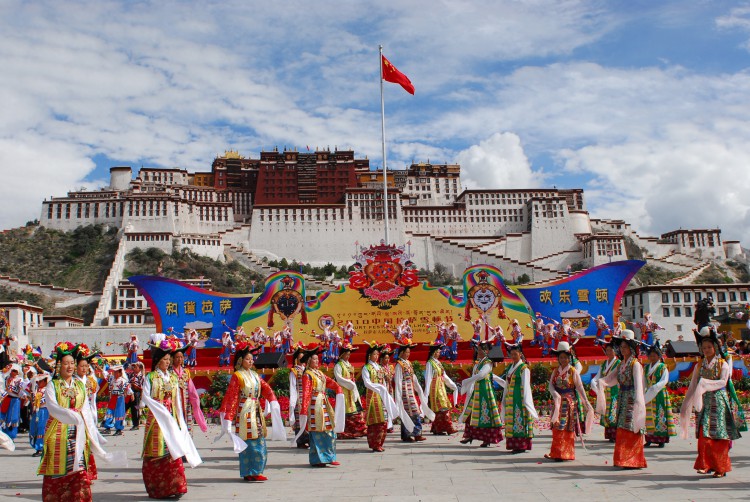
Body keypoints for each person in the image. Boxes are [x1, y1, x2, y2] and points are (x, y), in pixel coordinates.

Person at [38, 341, 117, 502]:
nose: (70, 367)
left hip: (78, 433)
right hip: (58, 432)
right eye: (66, 363)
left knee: (79, 468)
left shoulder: (80, 386)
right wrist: (74, 415)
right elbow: (53, 408)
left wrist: (92, 433)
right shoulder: (53, 385)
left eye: (72, 363)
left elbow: (86, 410)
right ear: (59, 365)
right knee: (59, 468)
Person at [140, 334, 202, 499]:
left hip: (172, 417)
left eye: (169, 359)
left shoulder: (173, 377)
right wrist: (161, 411)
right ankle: (158, 488)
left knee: (173, 451)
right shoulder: (151, 377)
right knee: (157, 451)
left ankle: (176, 486)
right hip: (157, 419)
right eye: (165, 359)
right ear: (158, 360)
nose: (168, 362)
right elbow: (146, 397)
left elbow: (177, 400)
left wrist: (179, 418)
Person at [216, 341, 285, 482]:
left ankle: (256, 470)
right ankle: (249, 471)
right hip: (244, 411)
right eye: (247, 359)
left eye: (251, 359)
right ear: (241, 361)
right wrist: (228, 418)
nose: (250, 361)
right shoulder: (238, 376)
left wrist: (273, 400)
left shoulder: (254, 374)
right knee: (247, 441)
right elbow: (232, 397)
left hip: (255, 410)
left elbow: (265, 387)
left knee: (259, 440)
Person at [679, 327, 741, 478]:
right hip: (703, 402)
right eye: (703, 347)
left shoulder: (722, 364)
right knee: (703, 435)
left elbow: (723, 382)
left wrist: (705, 384)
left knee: (718, 436)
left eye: (709, 347)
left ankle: (721, 467)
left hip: (718, 402)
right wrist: (686, 403)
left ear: (715, 348)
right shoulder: (699, 365)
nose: (706, 350)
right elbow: (693, 385)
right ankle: (705, 465)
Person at [595, 330, 647, 469]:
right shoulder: (621, 364)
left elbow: (638, 385)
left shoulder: (635, 364)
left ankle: (633, 460)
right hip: (622, 397)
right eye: (621, 347)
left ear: (631, 348)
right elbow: (610, 379)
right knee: (622, 428)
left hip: (632, 398)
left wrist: (638, 403)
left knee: (631, 427)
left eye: (625, 347)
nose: (623, 350)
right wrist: (600, 382)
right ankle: (623, 459)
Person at [295, 346, 345, 467]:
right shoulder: (307, 375)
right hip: (314, 405)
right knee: (317, 431)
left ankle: (329, 456)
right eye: (314, 359)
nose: (317, 361)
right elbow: (306, 393)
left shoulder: (319, 373)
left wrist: (338, 387)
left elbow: (329, 382)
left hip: (323, 402)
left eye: (318, 359)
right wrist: (304, 410)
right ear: (308, 362)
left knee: (328, 430)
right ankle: (318, 459)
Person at [545, 341, 594, 461]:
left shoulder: (572, 371)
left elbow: (580, 387)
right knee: (556, 426)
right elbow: (550, 385)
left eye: (565, 357)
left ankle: (565, 453)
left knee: (566, 427)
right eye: (561, 357)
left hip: (569, 403)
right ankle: (556, 452)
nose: (563, 360)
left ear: (569, 358)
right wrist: (555, 394)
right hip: (558, 403)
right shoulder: (556, 371)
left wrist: (586, 402)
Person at [361, 342, 405, 452]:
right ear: (369, 356)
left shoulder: (379, 367)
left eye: (377, 354)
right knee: (375, 420)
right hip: (373, 396)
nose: (376, 356)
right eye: (374, 354)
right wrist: (380, 388)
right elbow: (367, 383)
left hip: (382, 395)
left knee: (384, 420)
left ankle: (380, 442)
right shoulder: (366, 368)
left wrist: (385, 391)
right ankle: (374, 443)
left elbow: (384, 382)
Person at [459, 341, 503, 447]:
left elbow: (481, 375)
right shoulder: (480, 362)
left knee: (486, 413)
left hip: (485, 391)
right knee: (472, 412)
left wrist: (467, 381)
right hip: (478, 390)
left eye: (479, 350)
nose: (477, 352)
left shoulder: (488, 362)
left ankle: (487, 439)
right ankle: (470, 435)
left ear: (486, 351)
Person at [497, 342, 538, 453]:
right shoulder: (511, 367)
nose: (513, 356)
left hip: (519, 399)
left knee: (519, 420)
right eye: (512, 354)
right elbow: (507, 384)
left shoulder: (524, 368)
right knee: (512, 421)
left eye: (516, 354)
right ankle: (514, 444)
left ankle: (521, 445)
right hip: (511, 398)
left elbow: (525, 386)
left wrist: (525, 401)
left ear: (520, 354)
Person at [73, 343, 104, 482]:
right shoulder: (72, 381)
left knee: (87, 443)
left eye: (86, 366)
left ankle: (87, 473)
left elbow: (93, 396)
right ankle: (78, 472)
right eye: (82, 366)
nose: (85, 369)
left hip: (88, 414)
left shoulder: (90, 380)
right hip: (76, 416)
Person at [394, 340, 431, 442]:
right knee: (410, 412)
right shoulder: (399, 365)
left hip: (410, 390)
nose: (408, 354)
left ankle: (416, 433)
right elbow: (398, 381)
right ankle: (408, 435)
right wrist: (398, 397)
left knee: (415, 412)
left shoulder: (408, 363)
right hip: (405, 392)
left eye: (409, 352)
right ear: (401, 353)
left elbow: (413, 377)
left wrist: (418, 388)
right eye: (406, 352)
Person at [642, 341, 675, 448]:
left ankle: (661, 439)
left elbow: (664, 380)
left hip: (659, 393)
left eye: (654, 355)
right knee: (649, 416)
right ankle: (650, 438)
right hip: (649, 394)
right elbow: (643, 381)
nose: (652, 357)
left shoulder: (662, 367)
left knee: (660, 415)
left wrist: (655, 387)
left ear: (659, 356)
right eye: (650, 355)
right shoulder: (646, 368)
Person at [333, 342, 367, 439]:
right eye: (346, 354)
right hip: (344, 390)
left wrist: (352, 385)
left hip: (351, 390)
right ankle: (344, 432)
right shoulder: (338, 366)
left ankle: (357, 431)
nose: (348, 356)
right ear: (342, 354)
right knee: (346, 410)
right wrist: (350, 384)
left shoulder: (349, 365)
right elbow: (339, 378)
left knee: (355, 409)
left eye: (349, 354)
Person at [423, 342, 458, 435]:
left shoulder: (438, 363)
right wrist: (426, 393)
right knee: (443, 407)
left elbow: (444, 375)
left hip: (441, 387)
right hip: (435, 388)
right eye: (438, 352)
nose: (439, 353)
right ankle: (449, 427)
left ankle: (437, 428)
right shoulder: (430, 363)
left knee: (439, 409)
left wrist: (452, 384)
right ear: (434, 352)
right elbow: (428, 378)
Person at [171, 347, 208, 435]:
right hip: (174, 405)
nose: (179, 359)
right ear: (172, 358)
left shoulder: (185, 372)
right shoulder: (170, 373)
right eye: (177, 357)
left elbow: (192, 391)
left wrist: (195, 402)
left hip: (186, 404)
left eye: (181, 357)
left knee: (187, 427)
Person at [590, 339, 620, 442]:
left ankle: (615, 435)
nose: (609, 352)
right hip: (604, 392)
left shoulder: (618, 363)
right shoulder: (603, 364)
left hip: (614, 391)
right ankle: (609, 434)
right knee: (607, 412)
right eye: (607, 350)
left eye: (611, 350)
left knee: (613, 412)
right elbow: (598, 376)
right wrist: (593, 381)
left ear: (615, 351)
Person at [288, 342, 309, 449]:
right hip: (299, 397)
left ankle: (309, 439)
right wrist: (293, 401)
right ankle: (300, 440)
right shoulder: (294, 371)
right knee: (299, 420)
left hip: (308, 396)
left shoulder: (307, 370)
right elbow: (292, 386)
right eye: (300, 358)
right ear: (296, 359)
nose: (302, 360)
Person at [101, 364, 129, 436]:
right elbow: (106, 377)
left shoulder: (123, 381)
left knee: (119, 413)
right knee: (109, 412)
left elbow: (126, 390)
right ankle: (108, 427)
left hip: (119, 398)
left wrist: (125, 394)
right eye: (114, 372)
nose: (114, 373)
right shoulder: (112, 379)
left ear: (120, 373)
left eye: (116, 372)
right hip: (113, 398)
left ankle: (119, 429)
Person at [29, 372, 50, 457]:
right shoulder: (36, 389)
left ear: (45, 381)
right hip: (36, 411)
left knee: (41, 428)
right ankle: (36, 445)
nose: (38, 383)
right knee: (33, 428)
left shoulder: (48, 390)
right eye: (37, 382)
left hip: (44, 411)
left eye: (40, 381)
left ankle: (40, 448)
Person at [0, 364, 23, 439]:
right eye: (12, 371)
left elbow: (21, 389)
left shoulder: (19, 379)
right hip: (6, 398)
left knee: (13, 417)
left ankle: (11, 435)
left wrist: (12, 389)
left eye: (15, 371)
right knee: (3, 415)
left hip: (15, 399)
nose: (13, 372)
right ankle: (3, 434)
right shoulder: (6, 378)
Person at [128, 362, 144, 431]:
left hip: (137, 394)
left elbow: (142, 388)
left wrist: (136, 387)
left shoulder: (142, 377)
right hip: (130, 393)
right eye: (133, 367)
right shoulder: (131, 375)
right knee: (130, 408)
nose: (134, 368)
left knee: (135, 409)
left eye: (136, 367)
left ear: (140, 368)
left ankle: (136, 424)